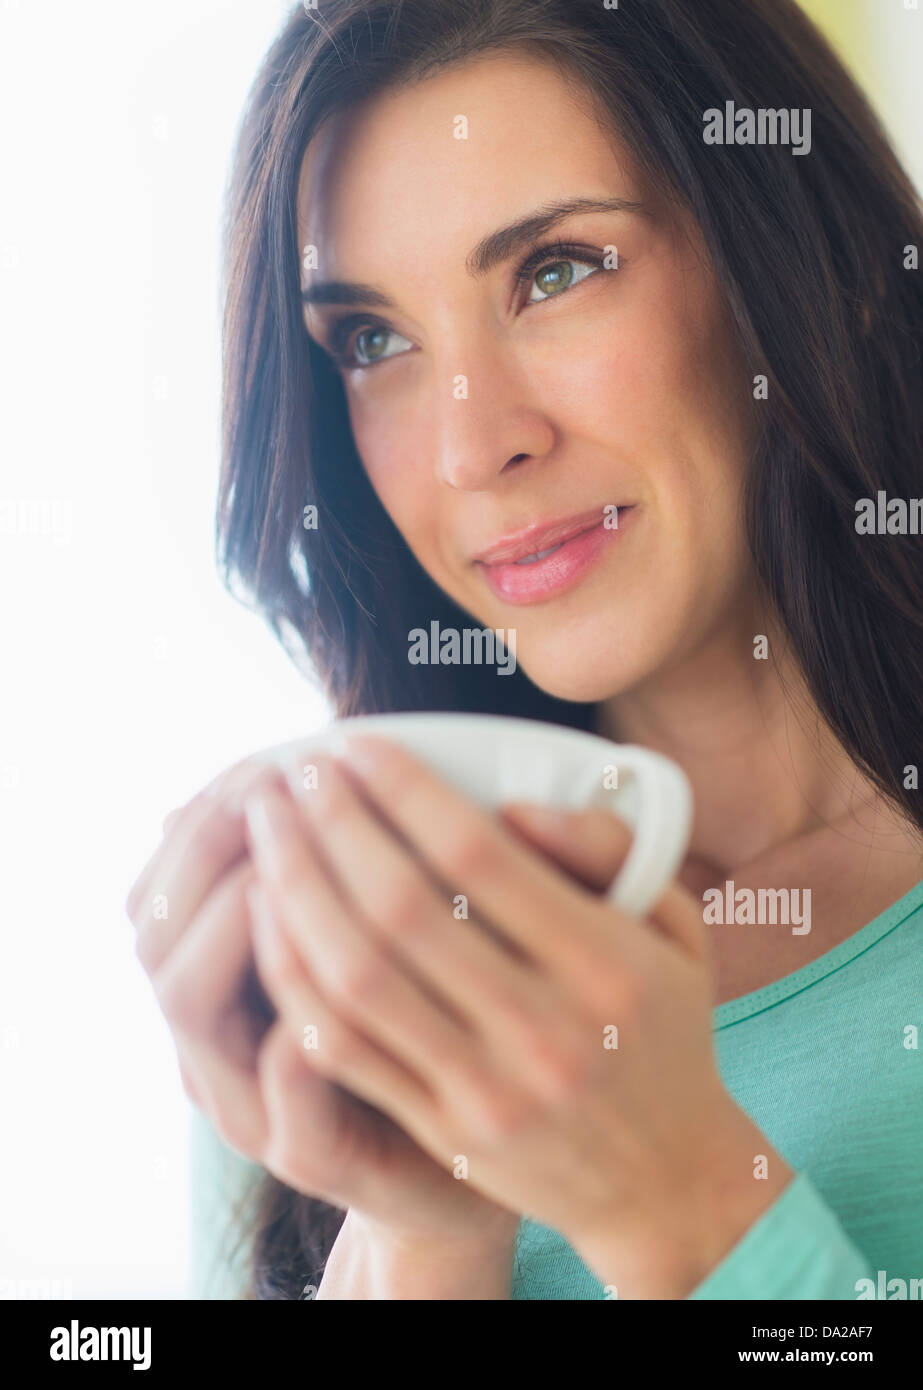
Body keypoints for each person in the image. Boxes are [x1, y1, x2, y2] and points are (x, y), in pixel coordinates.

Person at [126, 0, 923, 1299]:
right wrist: (425, 1232)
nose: (467, 447)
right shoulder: (338, 985)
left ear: (789, 255)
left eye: (553, 271)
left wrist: (684, 1205)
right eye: (374, 341)